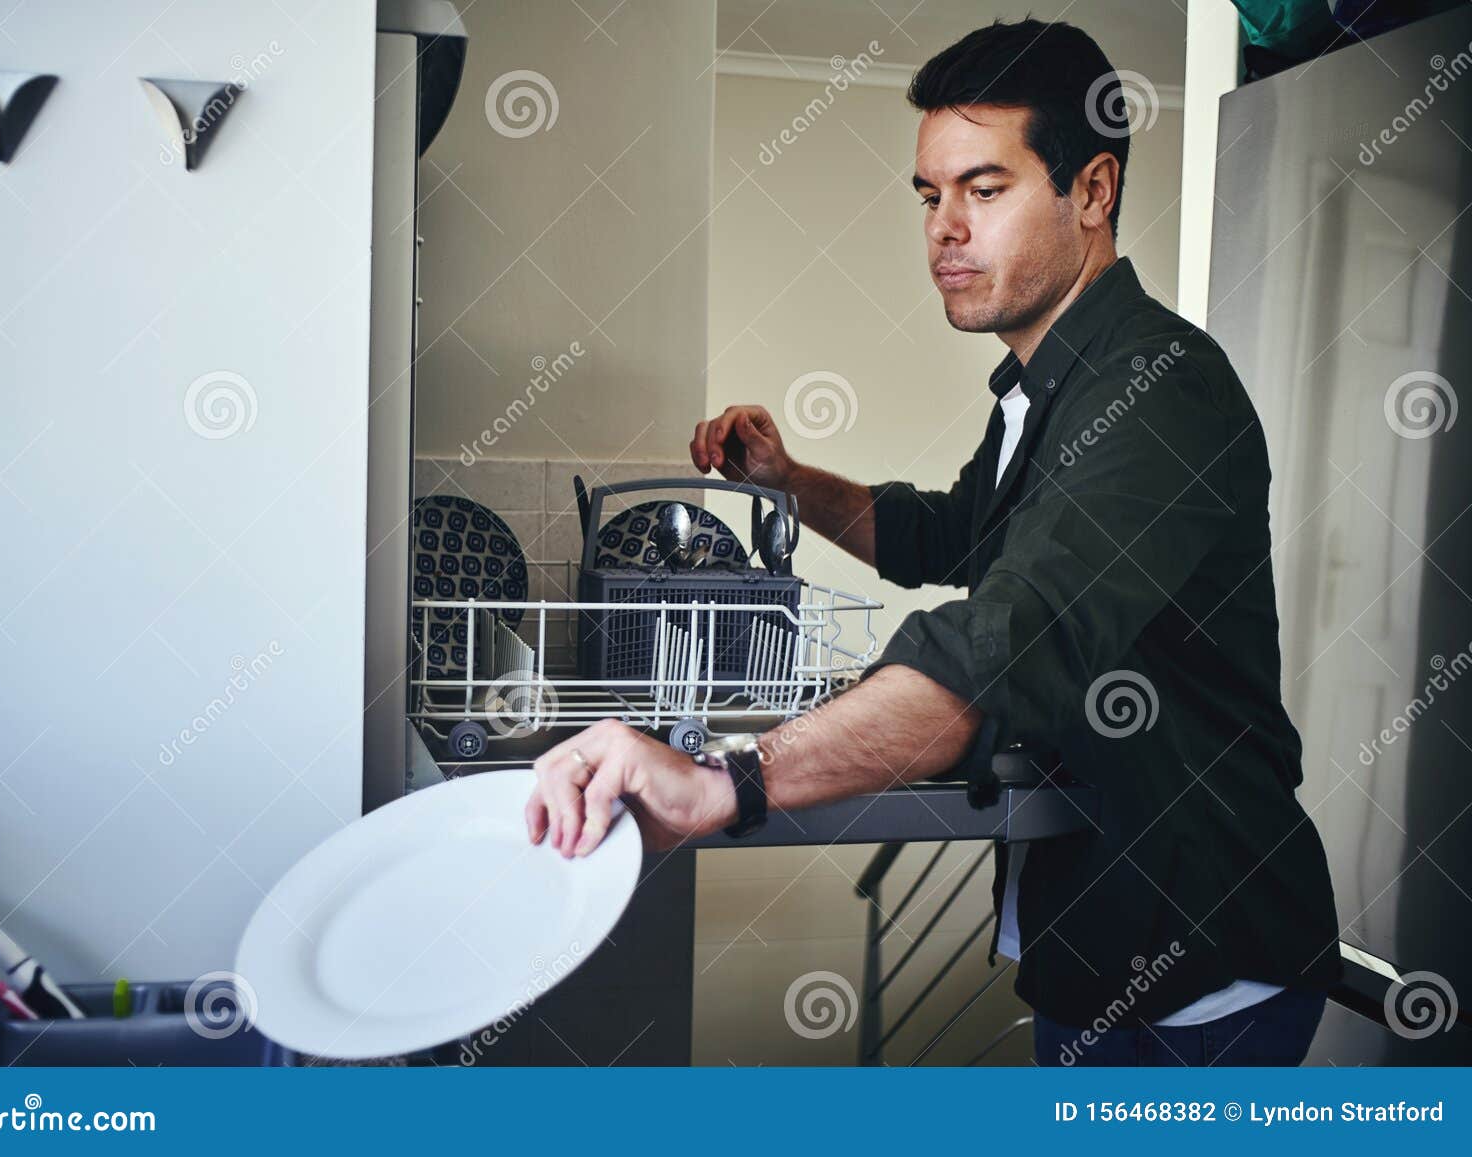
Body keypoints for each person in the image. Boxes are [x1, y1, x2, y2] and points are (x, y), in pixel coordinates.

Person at [525, 17, 1341, 1066]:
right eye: (929, 194)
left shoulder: (1158, 389)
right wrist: (789, 483)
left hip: (1200, 964)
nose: (943, 229)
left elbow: (1004, 636)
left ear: (1091, 190)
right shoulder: (1045, 386)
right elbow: (957, 533)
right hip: (1098, 935)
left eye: (984, 188)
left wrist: (724, 778)